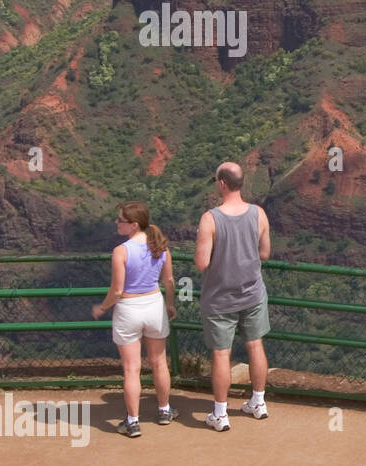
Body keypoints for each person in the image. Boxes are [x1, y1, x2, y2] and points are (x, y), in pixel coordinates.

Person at [196, 162, 272, 432]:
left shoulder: (210, 219)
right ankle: (258, 403)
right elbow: (264, 253)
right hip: (252, 294)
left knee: (221, 355)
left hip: (219, 299)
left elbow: (201, 262)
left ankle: (220, 413)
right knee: (255, 346)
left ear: (222, 183)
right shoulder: (259, 214)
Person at [91, 202, 178, 436]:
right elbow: (169, 281)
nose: (116, 223)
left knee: (131, 370)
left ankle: (132, 422)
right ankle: (164, 410)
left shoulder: (121, 251)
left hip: (129, 309)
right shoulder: (161, 247)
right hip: (154, 306)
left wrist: (102, 307)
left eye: (120, 220)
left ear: (133, 225)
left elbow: (117, 291)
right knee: (159, 363)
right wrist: (170, 304)